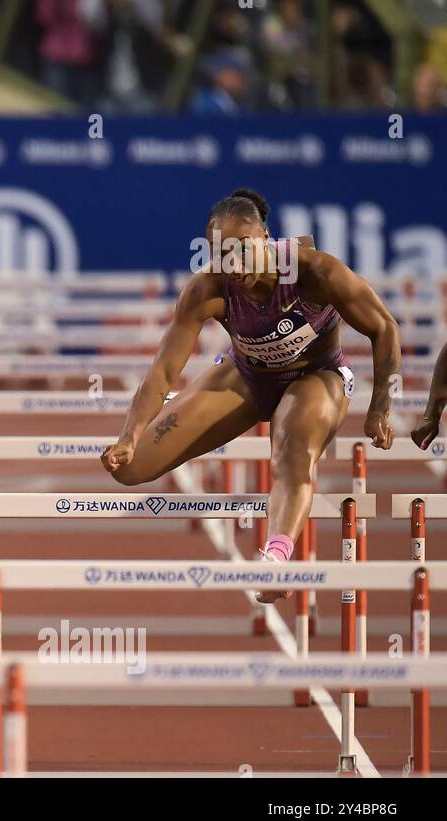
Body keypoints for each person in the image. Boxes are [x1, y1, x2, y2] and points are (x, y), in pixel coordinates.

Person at [101, 189, 399, 603]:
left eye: (243, 250)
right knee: (130, 469)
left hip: (317, 377)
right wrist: (130, 434)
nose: (234, 264)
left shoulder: (316, 272)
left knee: (292, 449)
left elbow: (384, 327)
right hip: (246, 377)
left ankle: (274, 559)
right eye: (222, 254)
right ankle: (172, 419)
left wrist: (380, 407)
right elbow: (164, 371)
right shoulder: (206, 289)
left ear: (266, 239)